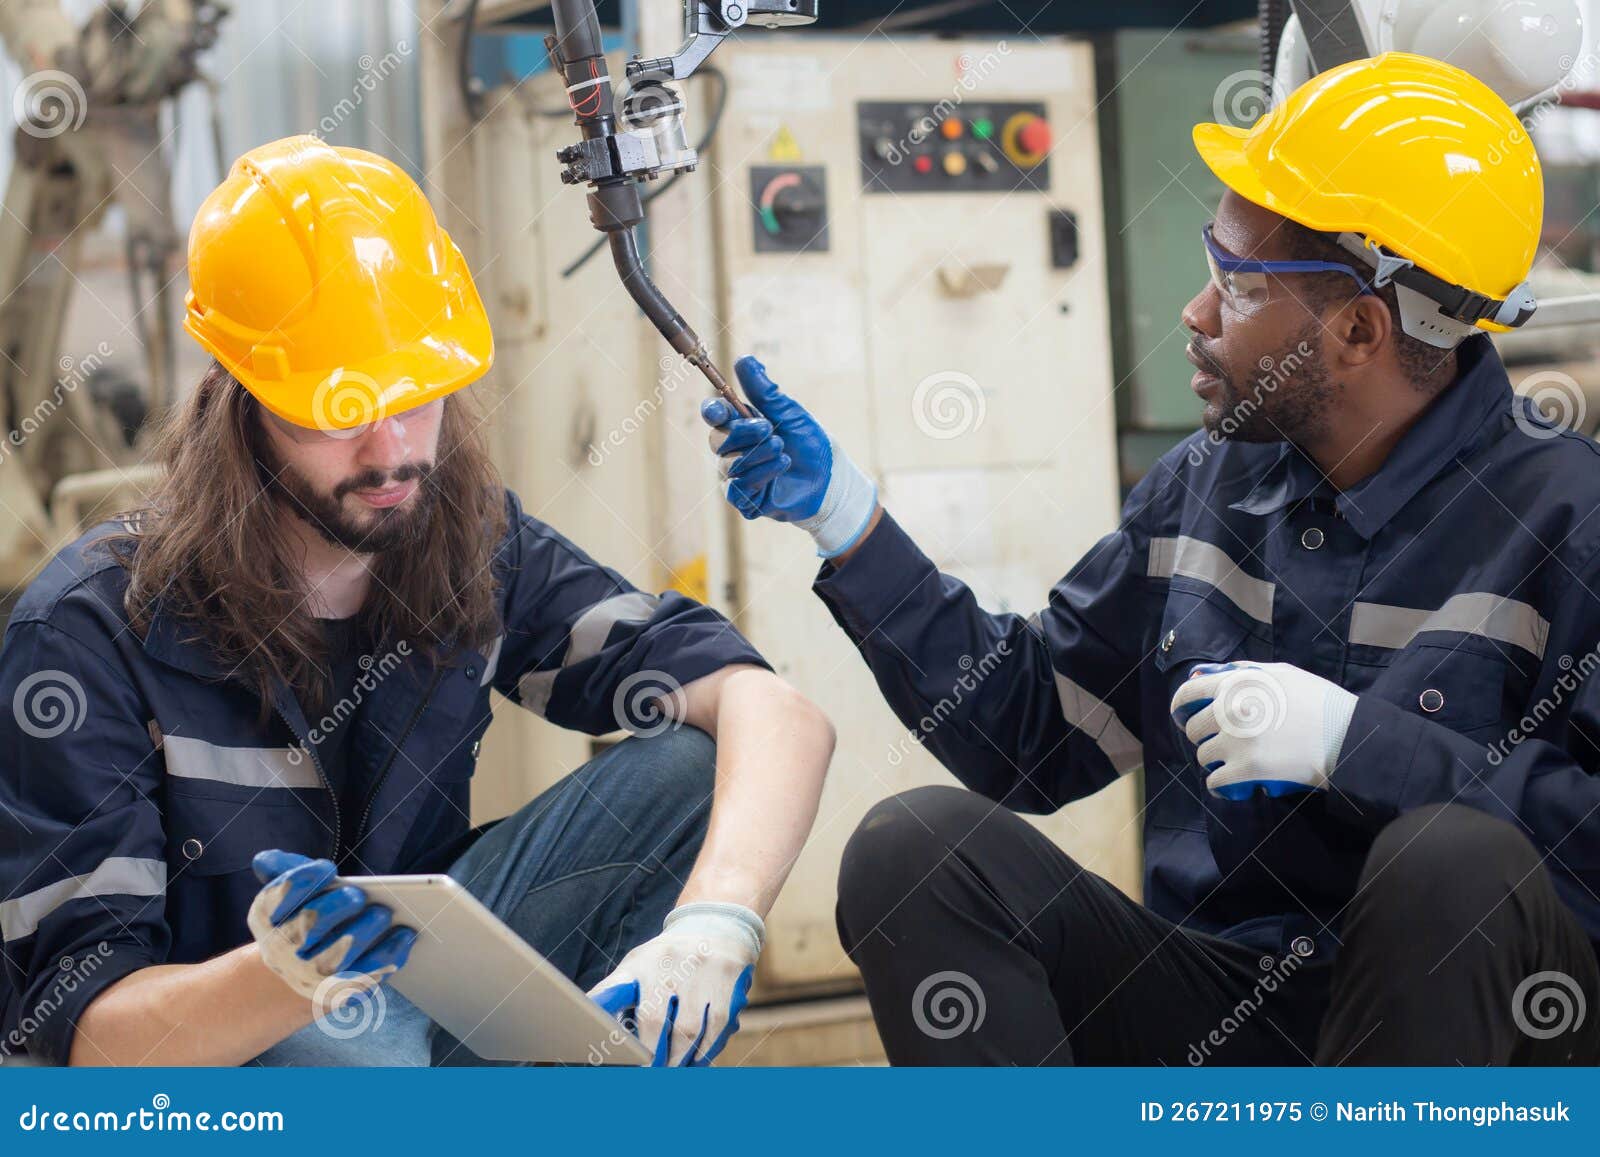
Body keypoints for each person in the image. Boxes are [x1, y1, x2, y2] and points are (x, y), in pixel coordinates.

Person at [701, 53, 1600, 1065]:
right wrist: (850, 526)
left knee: (1449, 862)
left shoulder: (1570, 515)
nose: (1198, 311)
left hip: (1476, 1031)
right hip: (1227, 1005)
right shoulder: (1204, 486)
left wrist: (1365, 747)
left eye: (1239, 283)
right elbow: (1032, 737)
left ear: (1356, 330)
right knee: (917, 850)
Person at [0, 136, 835, 1068]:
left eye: (417, 396)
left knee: (690, 765)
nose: (392, 451)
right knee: (362, 1054)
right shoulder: (85, 629)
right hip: (218, 1059)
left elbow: (782, 716)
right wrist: (280, 975)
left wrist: (715, 921)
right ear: (240, 399)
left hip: (414, 1007)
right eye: (341, 408)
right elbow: (84, 1037)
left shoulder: (471, 543)